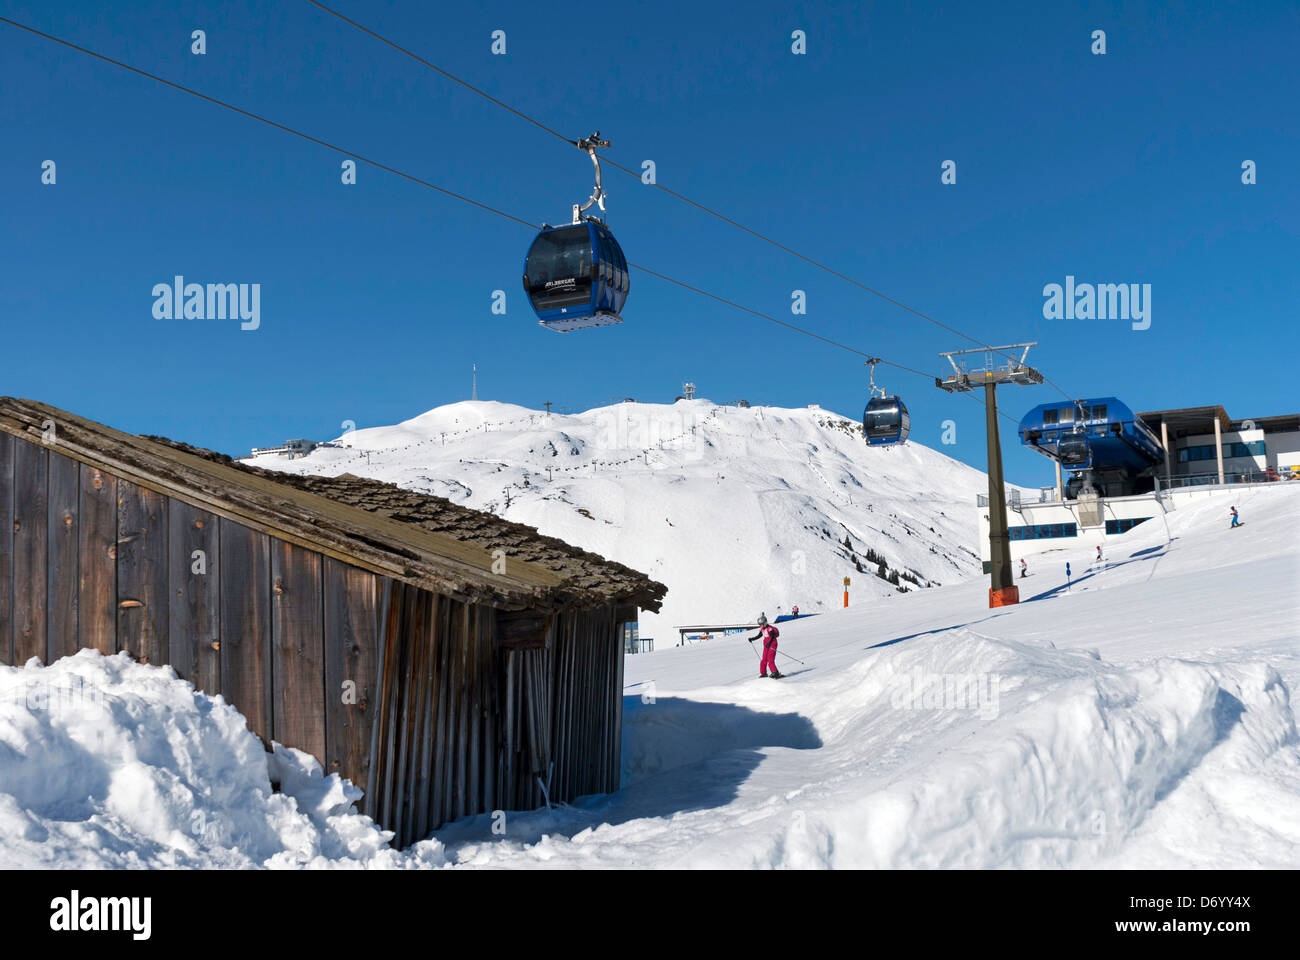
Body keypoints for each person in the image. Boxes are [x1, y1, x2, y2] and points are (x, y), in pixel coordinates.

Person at [750, 614, 782, 679]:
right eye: (760, 625)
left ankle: (775, 672)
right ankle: (763, 673)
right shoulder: (762, 629)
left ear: (765, 623)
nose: (760, 626)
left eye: (761, 624)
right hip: (766, 645)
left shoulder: (769, 629)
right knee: (764, 659)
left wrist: (769, 643)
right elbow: (759, 636)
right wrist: (752, 639)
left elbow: (772, 637)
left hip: (772, 644)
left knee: (770, 659)